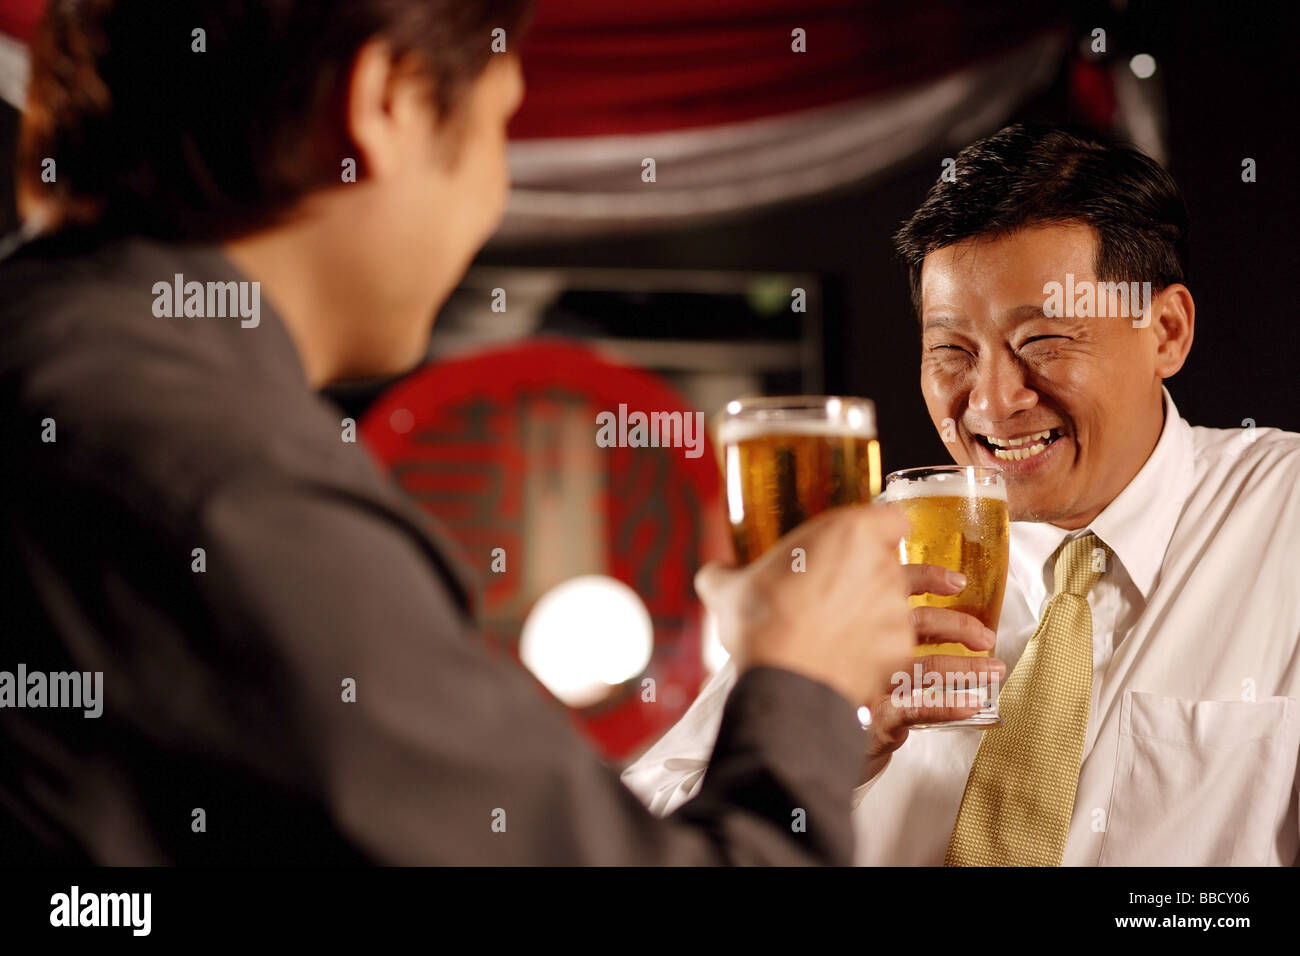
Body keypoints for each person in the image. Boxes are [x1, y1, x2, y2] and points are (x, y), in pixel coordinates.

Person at [0, 0, 917, 865]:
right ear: (387, 103)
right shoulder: (233, 488)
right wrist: (805, 679)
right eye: (501, 124)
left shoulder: (66, 369)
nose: (497, 188)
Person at [624, 124, 1300, 866]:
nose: (992, 401)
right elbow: (648, 830)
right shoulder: (875, 548)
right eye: (952, 351)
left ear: (1166, 331)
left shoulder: (1285, 515)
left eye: (1043, 341)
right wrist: (828, 739)